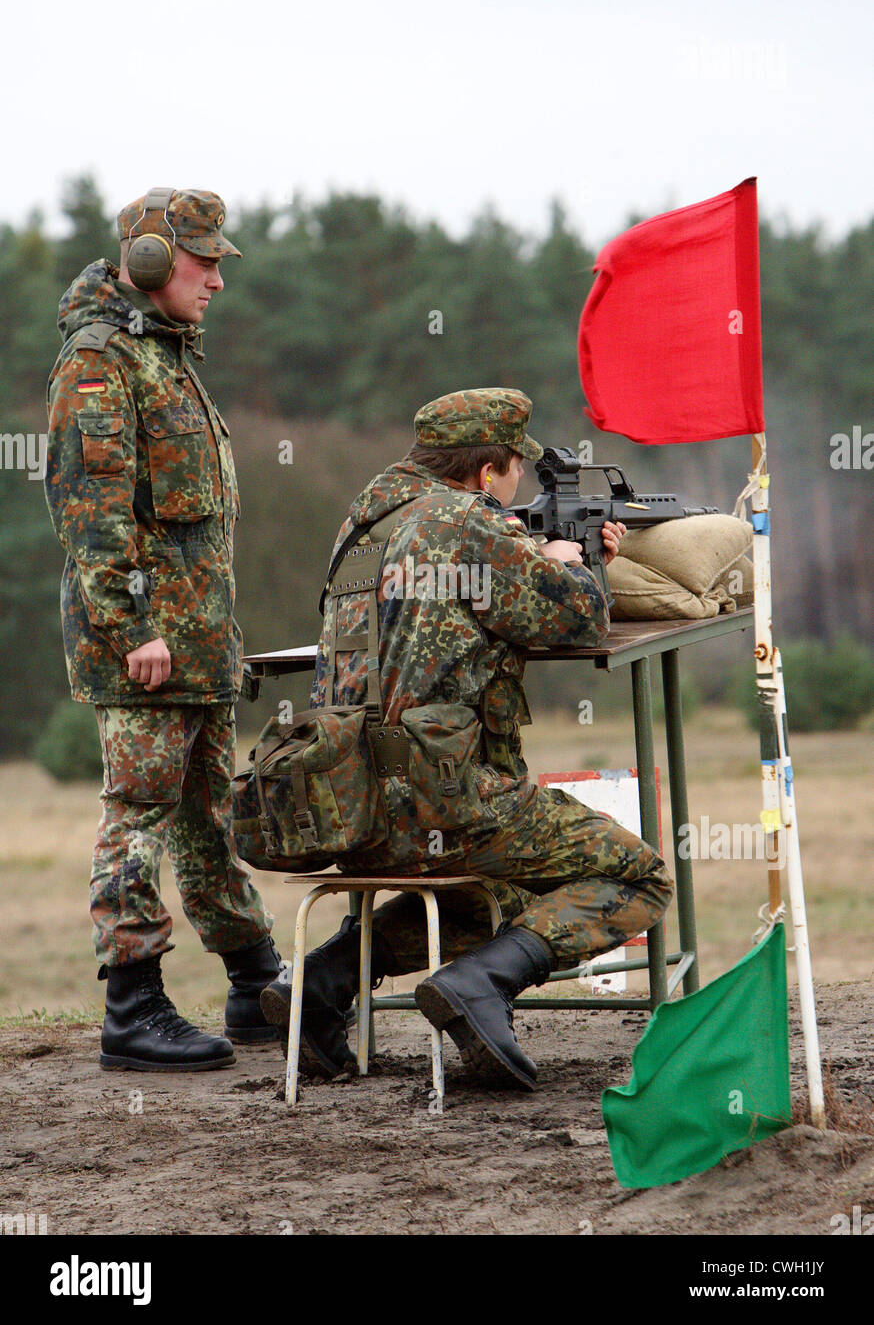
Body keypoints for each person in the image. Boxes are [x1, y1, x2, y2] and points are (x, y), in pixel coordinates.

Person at [260, 388, 673, 1090]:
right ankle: (481, 985)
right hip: (447, 804)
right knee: (638, 875)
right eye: (514, 469)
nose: (515, 484)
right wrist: (578, 564)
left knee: (499, 897)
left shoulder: (363, 527)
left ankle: (322, 982)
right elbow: (576, 621)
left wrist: (529, 551)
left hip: (347, 809)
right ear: (487, 472)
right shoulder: (468, 524)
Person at [44, 188, 281, 1072]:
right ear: (149, 263)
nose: (218, 278)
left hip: (197, 646)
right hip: (145, 646)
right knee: (138, 815)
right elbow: (93, 511)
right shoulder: (101, 363)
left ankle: (257, 984)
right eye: (204, 260)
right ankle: (132, 1009)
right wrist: (136, 624)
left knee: (207, 823)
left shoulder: (165, 356)